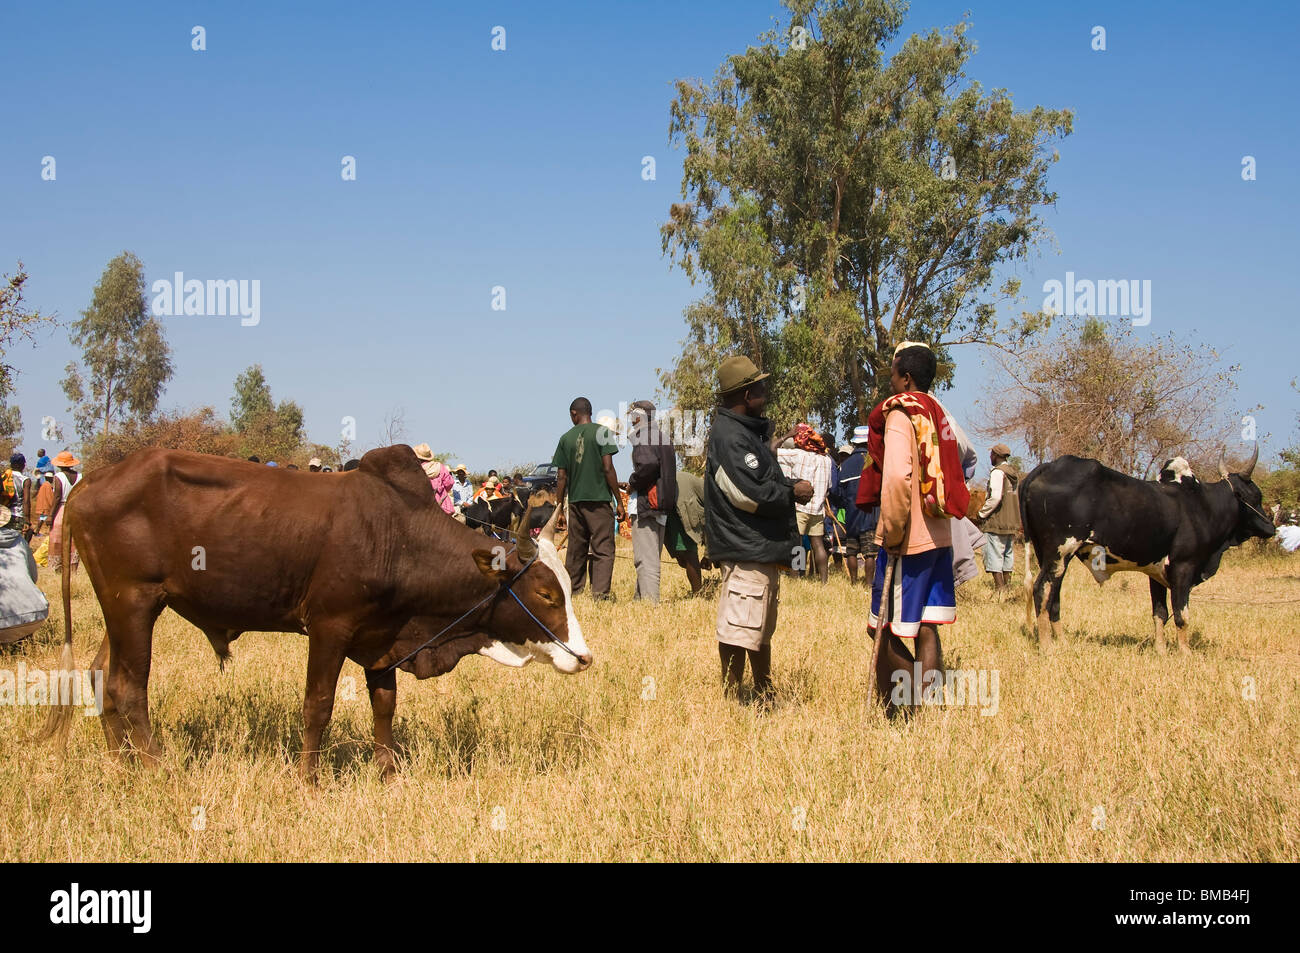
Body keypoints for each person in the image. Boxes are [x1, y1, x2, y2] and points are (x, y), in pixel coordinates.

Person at [860, 344, 970, 711]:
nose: (889, 381)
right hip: (941, 535)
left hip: (907, 539)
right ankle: (925, 707)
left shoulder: (900, 415)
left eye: (892, 374)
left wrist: (891, 533)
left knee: (883, 627)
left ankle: (904, 709)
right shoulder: (940, 414)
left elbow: (894, 479)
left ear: (906, 379)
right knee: (926, 626)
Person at [704, 355, 813, 704]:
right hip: (745, 544)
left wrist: (788, 485)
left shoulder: (743, 432)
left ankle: (764, 692)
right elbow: (747, 494)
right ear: (746, 393)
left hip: (758, 545)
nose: (766, 391)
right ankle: (732, 698)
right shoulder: (731, 436)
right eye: (760, 386)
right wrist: (791, 492)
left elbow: (762, 481)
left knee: (760, 628)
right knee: (739, 628)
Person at [552, 396, 624, 599]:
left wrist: (559, 507)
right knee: (603, 548)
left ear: (574, 414)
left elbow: (561, 477)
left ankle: (573, 590)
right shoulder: (602, 433)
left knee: (576, 548)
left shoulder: (565, 438)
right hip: (599, 500)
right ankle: (600, 594)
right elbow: (608, 468)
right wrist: (618, 501)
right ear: (589, 412)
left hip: (575, 502)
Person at [627, 399, 678, 603]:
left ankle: (649, 606)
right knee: (650, 556)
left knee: (645, 560)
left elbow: (647, 464)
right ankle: (640, 601)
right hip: (661, 503)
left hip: (647, 503)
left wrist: (632, 482)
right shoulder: (662, 436)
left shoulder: (644, 435)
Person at [774, 424, 833, 583]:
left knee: (797, 543)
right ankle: (824, 581)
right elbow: (828, 488)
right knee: (818, 544)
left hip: (799, 507)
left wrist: (785, 436)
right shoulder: (826, 460)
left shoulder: (797, 455)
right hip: (818, 508)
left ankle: (796, 577)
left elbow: (771, 450)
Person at [830, 427, 879, 586]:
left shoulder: (846, 464)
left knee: (851, 550)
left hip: (851, 515)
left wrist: (845, 505)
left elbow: (837, 491)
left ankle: (853, 581)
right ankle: (869, 583)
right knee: (869, 553)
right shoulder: (873, 460)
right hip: (869, 514)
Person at [976, 443, 1020, 593]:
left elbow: (995, 497)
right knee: (1007, 554)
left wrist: (982, 513)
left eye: (991, 454)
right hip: (1012, 520)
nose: (990, 457)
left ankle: (1000, 588)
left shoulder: (997, 473)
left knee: (994, 554)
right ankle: (1007, 587)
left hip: (997, 520)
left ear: (996, 456)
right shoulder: (1012, 472)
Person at [667, 470, 708, 594]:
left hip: (686, 505)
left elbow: (712, 521)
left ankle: (698, 594)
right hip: (676, 507)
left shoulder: (704, 492)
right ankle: (698, 593)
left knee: (689, 554)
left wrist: (708, 554)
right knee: (685, 555)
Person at [48, 450, 82, 573]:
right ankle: (73, 571)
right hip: (76, 510)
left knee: (57, 541)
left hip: (61, 511)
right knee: (74, 541)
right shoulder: (80, 476)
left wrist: (50, 516)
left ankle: (57, 571)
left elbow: (57, 497)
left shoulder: (58, 477)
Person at [413, 444, 455, 515]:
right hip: (443, 505)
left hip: (423, 506)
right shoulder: (440, 467)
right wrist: (443, 491)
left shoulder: (416, 470)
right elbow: (449, 483)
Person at [4, 453, 34, 543]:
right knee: (17, 543)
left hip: (4, 515)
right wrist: (27, 521)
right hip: (18, 515)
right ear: (21, 465)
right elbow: (26, 501)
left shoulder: (4, 477)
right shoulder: (25, 480)